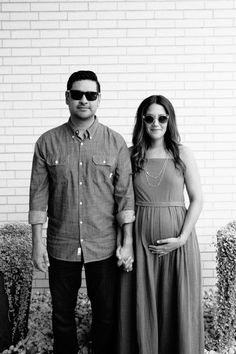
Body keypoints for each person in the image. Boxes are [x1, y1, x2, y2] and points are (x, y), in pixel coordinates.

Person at [28, 70, 135, 354]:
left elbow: (125, 198)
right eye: (77, 94)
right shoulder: (47, 143)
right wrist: (37, 243)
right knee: (62, 315)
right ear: (67, 98)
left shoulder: (116, 143)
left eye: (91, 95)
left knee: (106, 314)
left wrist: (127, 243)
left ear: (99, 99)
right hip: (61, 245)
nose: (84, 100)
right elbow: (38, 197)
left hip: (104, 244)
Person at [130, 95, 204, 354]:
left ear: (170, 120)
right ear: (142, 120)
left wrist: (182, 238)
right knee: (142, 305)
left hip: (179, 244)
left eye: (162, 117)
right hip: (140, 244)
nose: (155, 123)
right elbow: (122, 204)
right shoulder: (131, 155)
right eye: (149, 117)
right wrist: (126, 243)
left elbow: (196, 199)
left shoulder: (182, 153)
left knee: (176, 304)